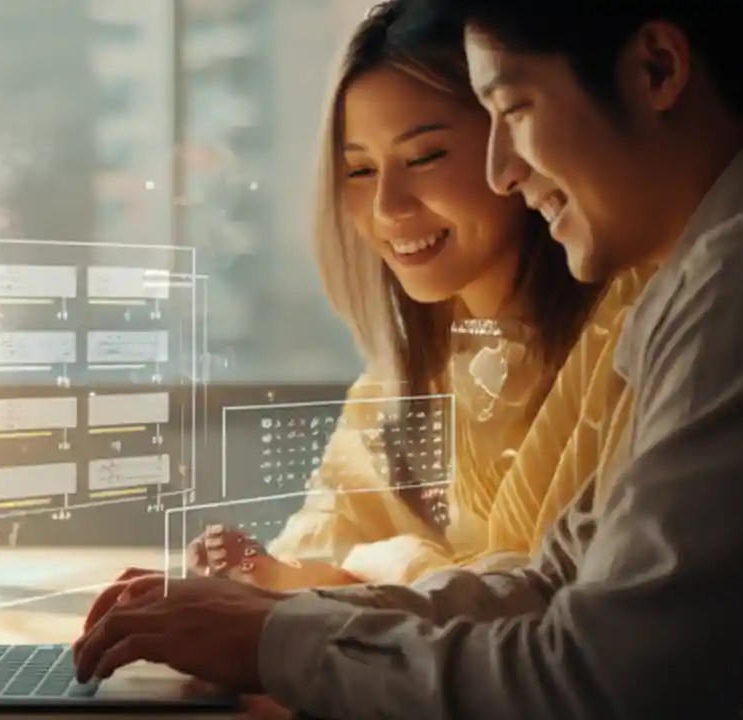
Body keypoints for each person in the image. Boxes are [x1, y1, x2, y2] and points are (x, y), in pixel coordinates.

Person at [73, 0, 743, 717]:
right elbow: (555, 586)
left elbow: (598, 682)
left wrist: (274, 641)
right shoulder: (737, 267)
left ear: (657, 69)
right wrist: (274, 621)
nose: (502, 172)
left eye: (514, 110)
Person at [187, 0, 649, 592]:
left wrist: (381, 565)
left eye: (425, 157)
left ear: (511, 141)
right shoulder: (408, 374)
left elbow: (540, 601)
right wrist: (251, 571)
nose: (388, 208)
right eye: (359, 171)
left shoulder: (627, 326)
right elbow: (318, 549)